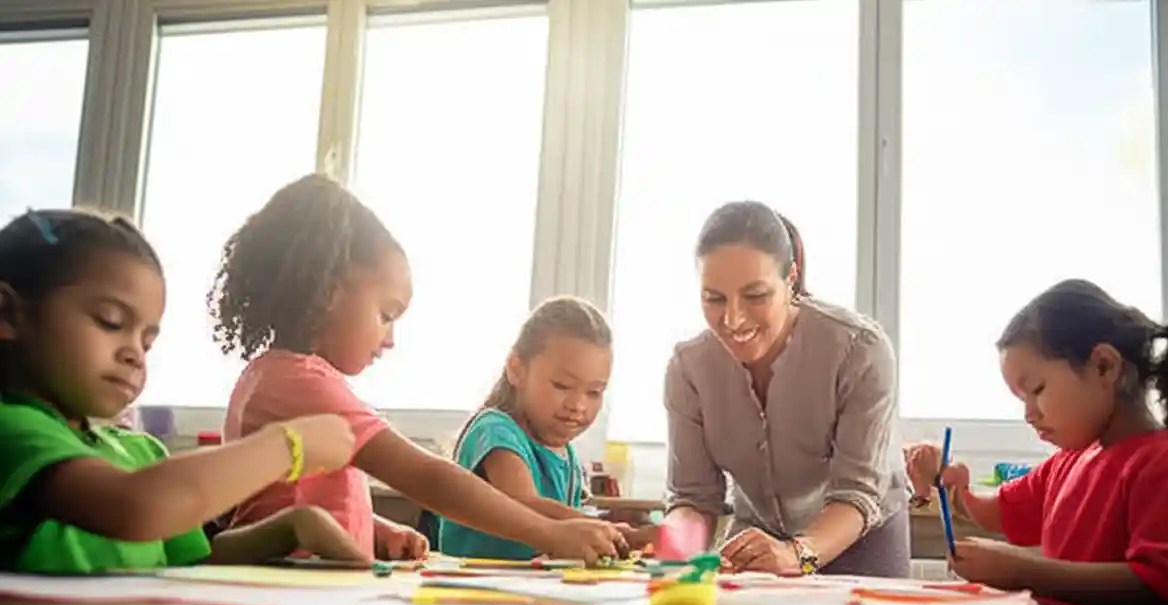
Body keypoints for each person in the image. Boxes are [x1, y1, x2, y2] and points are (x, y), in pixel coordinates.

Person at [210, 175, 627, 564]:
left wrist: (374, 529)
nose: (389, 339)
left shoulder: (272, 375)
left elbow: (289, 498)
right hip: (286, 599)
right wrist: (552, 534)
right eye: (386, 314)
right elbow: (427, 477)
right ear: (327, 294)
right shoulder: (299, 382)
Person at [905, 279, 1168, 605]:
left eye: (1038, 390)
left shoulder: (1166, 463)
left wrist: (1026, 572)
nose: (1029, 414)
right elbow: (997, 513)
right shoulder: (1069, 462)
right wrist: (953, 488)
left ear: (1104, 366)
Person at [0, 209, 367, 573]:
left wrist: (289, 527)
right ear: (8, 314)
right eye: (110, 322)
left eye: (147, 342)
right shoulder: (12, 428)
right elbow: (134, 506)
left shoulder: (138, 451)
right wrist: (289, 445)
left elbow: (193, 560)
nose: (134, 355)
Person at [663, 201, 910, 577]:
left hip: (858, 537)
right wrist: (674, 552)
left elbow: (857, 495)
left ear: (791, 279)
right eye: (713, 298)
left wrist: (796, 555)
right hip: (757, 537)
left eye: (755, 295)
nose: (733, 319)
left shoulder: (859, 349)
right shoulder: (688, 369)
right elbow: (693, 497)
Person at [439, 296, 646, 558]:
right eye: (562, 386)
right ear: (517, 370)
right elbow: (521, 503)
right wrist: (610, 531)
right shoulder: (495, 430)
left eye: (594, 392)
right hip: (476, 591)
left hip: (534, 590)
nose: (578, 405)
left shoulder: (566, 454)